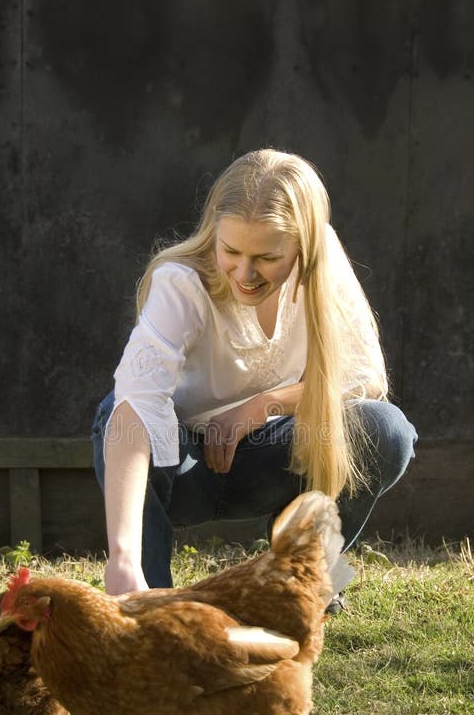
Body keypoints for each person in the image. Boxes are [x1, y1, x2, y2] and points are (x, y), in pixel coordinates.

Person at [92, 148, 417, 600]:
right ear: (214, 233)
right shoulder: (180, 281)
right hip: (184, 467)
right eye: (231, 250)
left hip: (268, 454)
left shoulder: (322, 264)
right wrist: (121, 557)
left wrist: (261, 407)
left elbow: (365, 376)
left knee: (385, 428)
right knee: (116, 407)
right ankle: (144, 598)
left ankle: (304, 584)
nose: (245, 273)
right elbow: (134, 406)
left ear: (302, 246)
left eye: (266, 257)